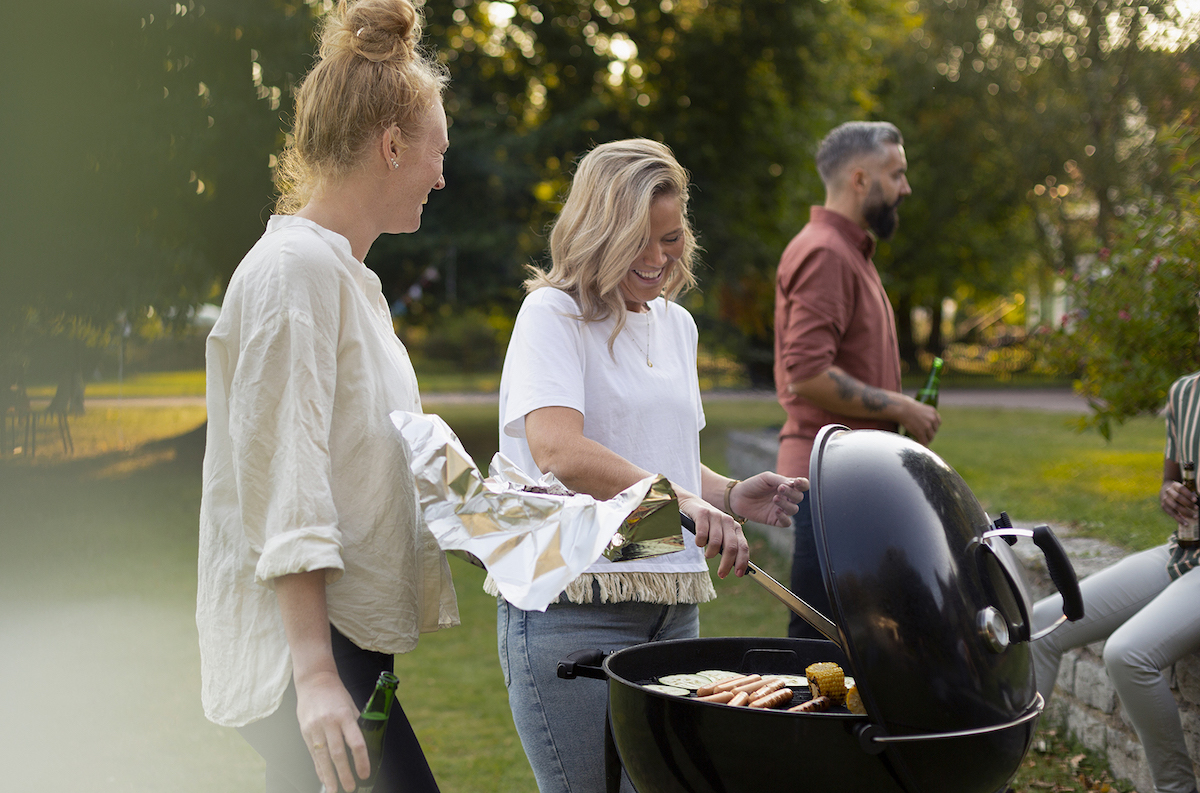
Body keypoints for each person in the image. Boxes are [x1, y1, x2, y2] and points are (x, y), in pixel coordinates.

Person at [196, 2, 459, 791]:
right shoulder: (294, 272)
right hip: (305, 652)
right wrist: (314, 675)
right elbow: (289, 473)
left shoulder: (347, 277)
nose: (442, 175)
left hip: (346, 646)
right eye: (436, 153)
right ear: (389, 146)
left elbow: (368, 452)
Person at [495, 138, 808, 793]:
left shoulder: (677, 326)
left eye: (668, 239)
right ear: (596, 229)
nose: (655, 258)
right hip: (574, 605)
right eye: (637, 238)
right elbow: (559, 447)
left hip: (672, 608)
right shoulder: (552, 315)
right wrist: (680, 500)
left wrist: (725, 493)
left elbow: (658, 451)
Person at [773, 120, 940, 638]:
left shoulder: (849, 250)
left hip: (848, 483)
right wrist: (900, 406)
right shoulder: (826, 252)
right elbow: (807, 374)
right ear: (861, 180)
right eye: (897, 174)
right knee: (821, 656)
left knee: (856, 653)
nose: (906, 188)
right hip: (830, 488)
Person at [1030, 369, 1200, 793]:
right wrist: (1170, 494)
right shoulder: (1185, 392)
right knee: (1043, 623)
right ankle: (998, 765)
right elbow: (1172, 482)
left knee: (1127, 653)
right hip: (1184, 549)